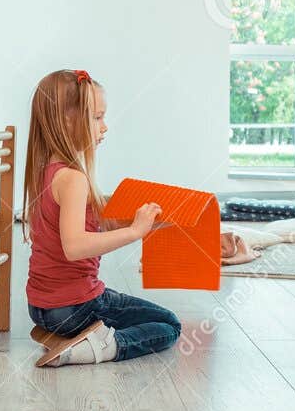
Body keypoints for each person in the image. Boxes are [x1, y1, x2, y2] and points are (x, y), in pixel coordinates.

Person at [22, 69, 181, 366]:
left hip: (40, 308)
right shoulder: (73, 179)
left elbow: (79, 227)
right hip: (74, 308)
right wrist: (135, 232)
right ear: (66, 120)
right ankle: (102, 348)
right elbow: (75, 246)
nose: (104, 127)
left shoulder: (44, 172)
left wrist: (133, 219)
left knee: (134, 311)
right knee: (169, 324)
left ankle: (81, 339)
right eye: (96, 118)